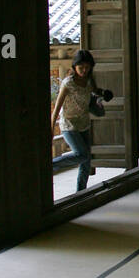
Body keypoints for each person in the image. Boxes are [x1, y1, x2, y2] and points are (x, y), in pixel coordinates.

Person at [50, 49, 108, 192]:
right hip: (68, 124)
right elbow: (57, 108)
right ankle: (51, 165)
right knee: (81, 155)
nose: (84, 70)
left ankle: (80, 192)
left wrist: (103, 95)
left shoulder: (89, 81)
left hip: (84, 123)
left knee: (86, 162)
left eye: (87, 67)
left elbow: (94, 93)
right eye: (81, 67)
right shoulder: (68, 83)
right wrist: (51, 128)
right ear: (74, 67)